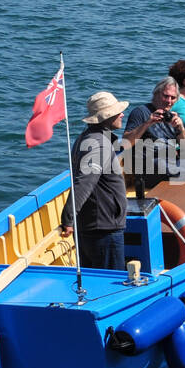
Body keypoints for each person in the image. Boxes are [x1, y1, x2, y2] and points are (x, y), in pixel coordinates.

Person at [58, 91, 130, 272]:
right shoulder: (97, 144)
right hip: (103, 229)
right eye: (117, 112)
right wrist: (68, 218)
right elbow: (84, 183)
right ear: (106, 117)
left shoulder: (90, 138)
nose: (122, 114)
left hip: (95, 224)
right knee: (109, 281)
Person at [123, 77, 185, 188]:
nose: (168, 101)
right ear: (156, 94)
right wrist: (147, 124)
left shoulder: (171, 116)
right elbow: (126, 142)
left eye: (172, 98)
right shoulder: (141, 112)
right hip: (150, 165)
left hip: (172, 160)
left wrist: (181, 127)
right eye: (165, 96)